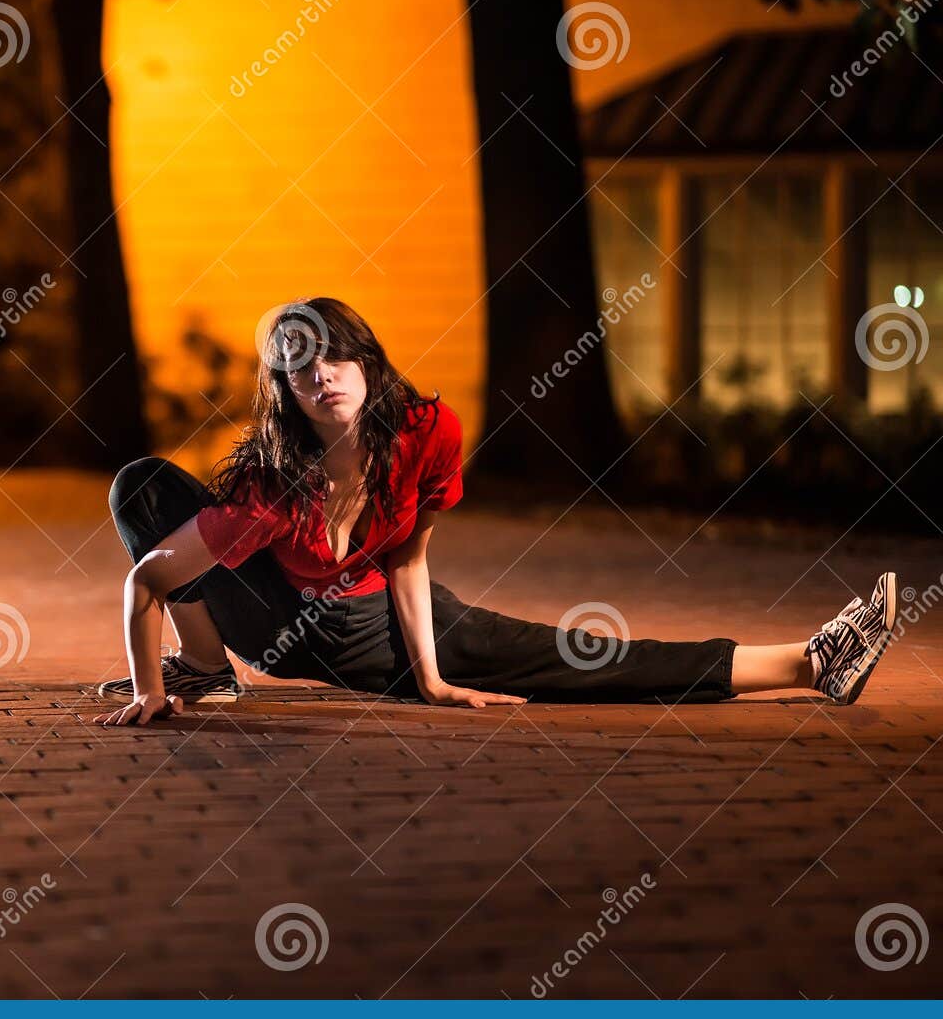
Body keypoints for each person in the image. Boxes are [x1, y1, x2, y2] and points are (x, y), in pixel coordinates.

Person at [91, 297, 897, 726]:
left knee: (569, 658)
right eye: (304, 372)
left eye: (339, 358)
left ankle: (811, 663)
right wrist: (147, 688)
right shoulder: (274, 483)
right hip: (276, 616)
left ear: (369, 363)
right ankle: (203, 671)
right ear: (288, 394)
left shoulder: (427, 431)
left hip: (383, 622)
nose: (325, 378)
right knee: (143, 486)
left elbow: (407, 557)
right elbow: (145, 582)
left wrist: (433, 679)